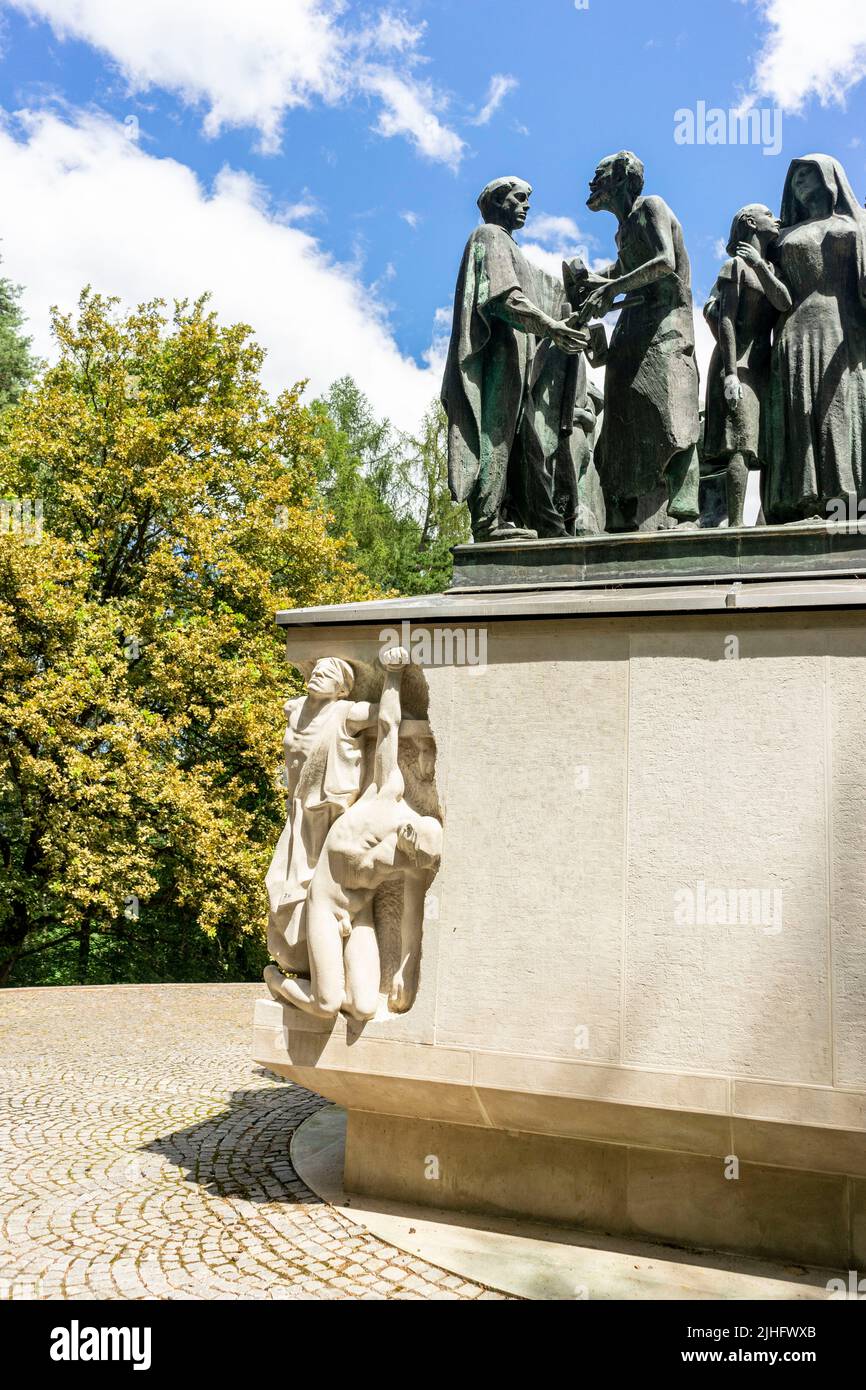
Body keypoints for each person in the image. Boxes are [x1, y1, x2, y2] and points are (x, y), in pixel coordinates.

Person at [264, 648, 442, 1023]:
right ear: (412, 827)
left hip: (358, 915)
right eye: (412, 840)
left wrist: (405, 975)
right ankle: (278, 981)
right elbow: (390, 726)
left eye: (414, 853)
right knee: (327, 1006)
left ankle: (329, 982)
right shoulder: (384, 793)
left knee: (362, 1007)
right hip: (325, 907)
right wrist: (393, 674)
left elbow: (413, 917)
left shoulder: (412, 859)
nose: (406, 846)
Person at [441, 176, 587, 542]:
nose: (526, 206)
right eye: (519, 199)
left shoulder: (512, 247)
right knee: (497, 436)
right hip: (498, 360)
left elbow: (547, 291)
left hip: (522, 366)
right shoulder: (489, 236)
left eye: (527, 200)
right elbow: (505, 298)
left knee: (526, 445)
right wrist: (552, 326)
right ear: (497, 202)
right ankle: (487, 523)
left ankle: (540, 521)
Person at [576, 151, 701, 531]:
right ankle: (622, 515)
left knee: (671, 412)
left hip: (666, 324)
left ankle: (685, 511)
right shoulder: (623, 228)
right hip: (634, 328)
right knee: (621, 418)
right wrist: (591, 283)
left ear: (621, 178)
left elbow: (664, 261)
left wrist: (609, 288)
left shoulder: (651, 206)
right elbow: (623, 269)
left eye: (599, 174)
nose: (592, 182)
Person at [762, 154, 866, 523]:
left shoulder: (855, 226)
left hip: (844, 329)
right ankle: (803, 502)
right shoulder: (782, 238)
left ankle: (847, 500)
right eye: (795, 178)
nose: (799, 182)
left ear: (828, 177)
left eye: (807, 174)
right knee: (799, 410)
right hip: (794, 328)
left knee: (839, 407)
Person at [264, 657, 376, 979]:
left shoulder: (347, 713)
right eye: (316, 670)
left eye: (327, 674)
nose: (317, 675)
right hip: (296, 811)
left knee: (317, 882)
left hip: (327, 813)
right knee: (280, 882)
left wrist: (394, 677)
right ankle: (297, 957)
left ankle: (322, 957)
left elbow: (389, 717)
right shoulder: (294, 709)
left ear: (341, 690)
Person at [703, 205, 791, 527]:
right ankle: (736, 525)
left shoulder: (767, 269)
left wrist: (760, 265)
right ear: (751, 223)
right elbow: (726, 321)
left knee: (766, 446)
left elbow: (784, 302)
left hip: (764, 368)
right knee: (740, 444)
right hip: (736, 365)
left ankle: (764, 521)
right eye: (769, 213)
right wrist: (729, 374)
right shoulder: (734, 266)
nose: (776, 218)